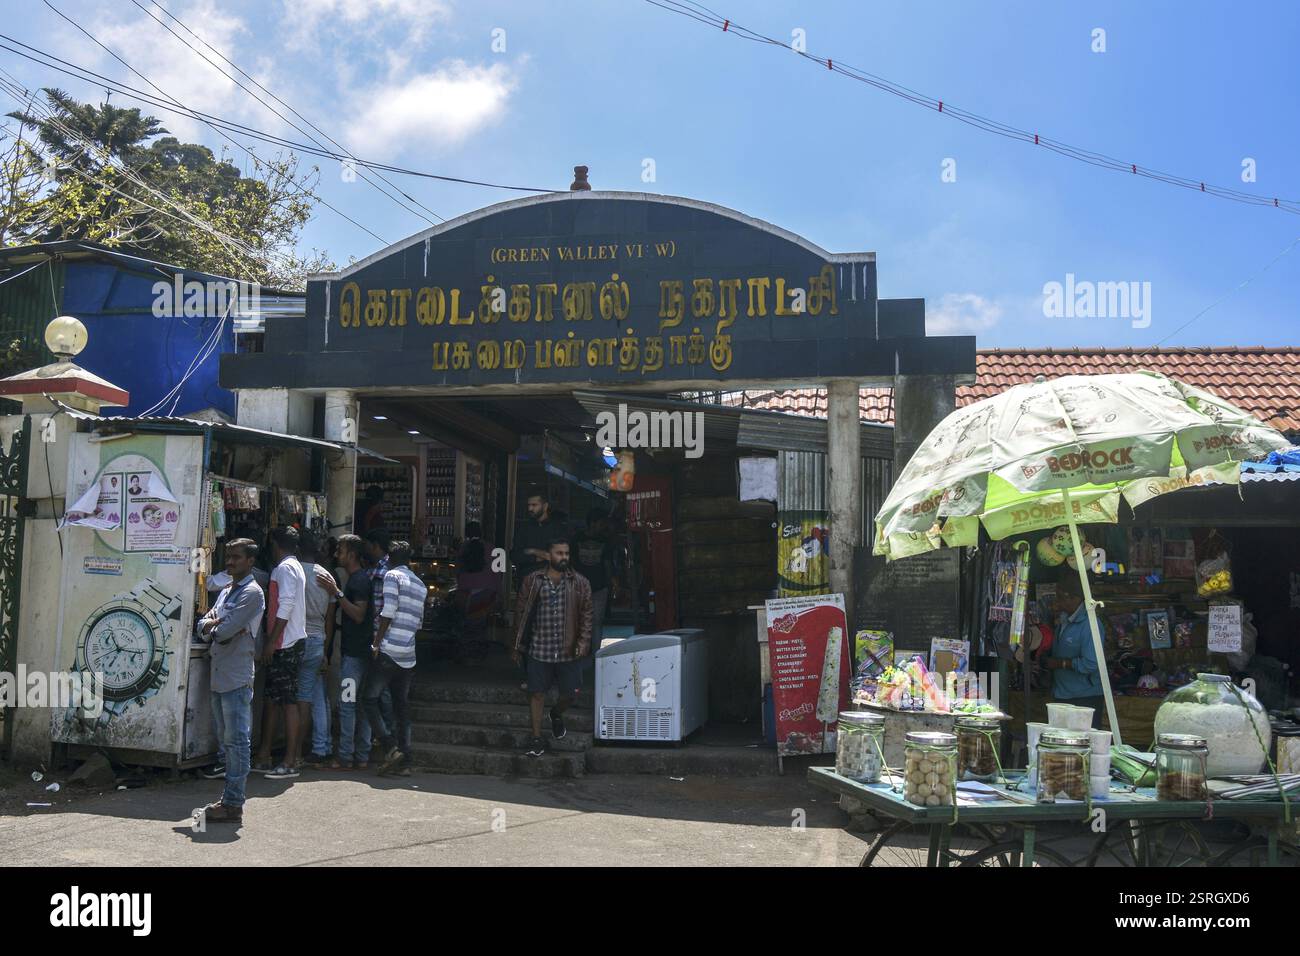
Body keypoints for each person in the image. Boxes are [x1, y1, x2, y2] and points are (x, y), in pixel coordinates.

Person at [195, 538, 265, 824]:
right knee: (228, 742)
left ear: (250, 561)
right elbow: (204, 625)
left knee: (236, 742)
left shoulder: (252, 593)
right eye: (229, 557)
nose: (230, 562)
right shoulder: (226, 591)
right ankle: (229, 799)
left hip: (236, 675)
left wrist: (216, 625)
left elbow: (223, 631)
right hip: (220, 673)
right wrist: (215, 625)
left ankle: (234, 803)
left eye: (236, 557)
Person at [512, 539, 592, 757]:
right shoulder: (533, 580)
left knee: (571, 693)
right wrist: (517, 645)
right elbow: (521, 613)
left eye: (566, 553)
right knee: (536, 694)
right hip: (540, 648)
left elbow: (586, 617)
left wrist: (583, 643)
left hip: (568, 649)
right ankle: (536, 738)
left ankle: (556, 713)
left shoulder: (580, 583)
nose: (564, 557)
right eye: (559, 553)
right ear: (548, 555)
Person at [363, 540, 424, 774]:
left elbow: (387, 612)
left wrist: (376, 643)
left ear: (389, 557)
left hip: (389, 649)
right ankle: (406, 761)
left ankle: (390, 747)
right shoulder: (420, 584)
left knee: (369, 698)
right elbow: (418, 623)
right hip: (408, 653)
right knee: (402, 707)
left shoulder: (391, 577)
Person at [315, 533, 374, 769]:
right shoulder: (358, 579)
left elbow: (358, 615)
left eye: (340, 550)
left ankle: (347, 756)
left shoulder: (358, 581)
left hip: (355, 654)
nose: (336, 554)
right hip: (360, 652)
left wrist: (336, 592)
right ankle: (361, 756)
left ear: (351, 554)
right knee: (359, 704)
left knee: (348, 703)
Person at [253, 526, 308, 779]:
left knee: (287, 701)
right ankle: (266, 756)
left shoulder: (285, 568)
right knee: (275, 699)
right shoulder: (294, 566)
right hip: (288, 640)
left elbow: (285, 605)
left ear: (275, 543)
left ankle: (290, 761)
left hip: (285, 642)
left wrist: (271, 642)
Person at [1044, 572, 1106, 728]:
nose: (1057, 600)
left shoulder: (1090, 624)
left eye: (1060, 596)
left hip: (1084, 697)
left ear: (1075, 598)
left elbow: (1092, 663)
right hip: (1062, 694)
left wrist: (1060, 664)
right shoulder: (1064, 619)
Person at [298, 533, 335, 766]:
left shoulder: (295, 572)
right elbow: (330, 619)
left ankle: (302, 749)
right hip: (319, 639)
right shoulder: (326, 575)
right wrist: (326, 649)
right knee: (319, 695)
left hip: (300, 639)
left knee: (302, 698)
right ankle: (323, 745)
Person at [572, 508, 613, 655]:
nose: (603, 526)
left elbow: (607, 564)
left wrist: (609, 584)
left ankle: (594, 652)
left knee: (595, 622)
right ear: (593, 523)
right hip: (581, 587)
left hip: (598, 587)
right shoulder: (576, 539)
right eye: (601, 523)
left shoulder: (604, 540)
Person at [512, 490, 570, 588]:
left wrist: (533, 550)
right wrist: (537, 557)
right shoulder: (523, 528)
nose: (530, 508)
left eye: (534, 505)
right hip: (527, 584)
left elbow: (560, 558)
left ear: (545, 506)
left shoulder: (558, 529)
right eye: (528, 505)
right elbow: (514, 555)